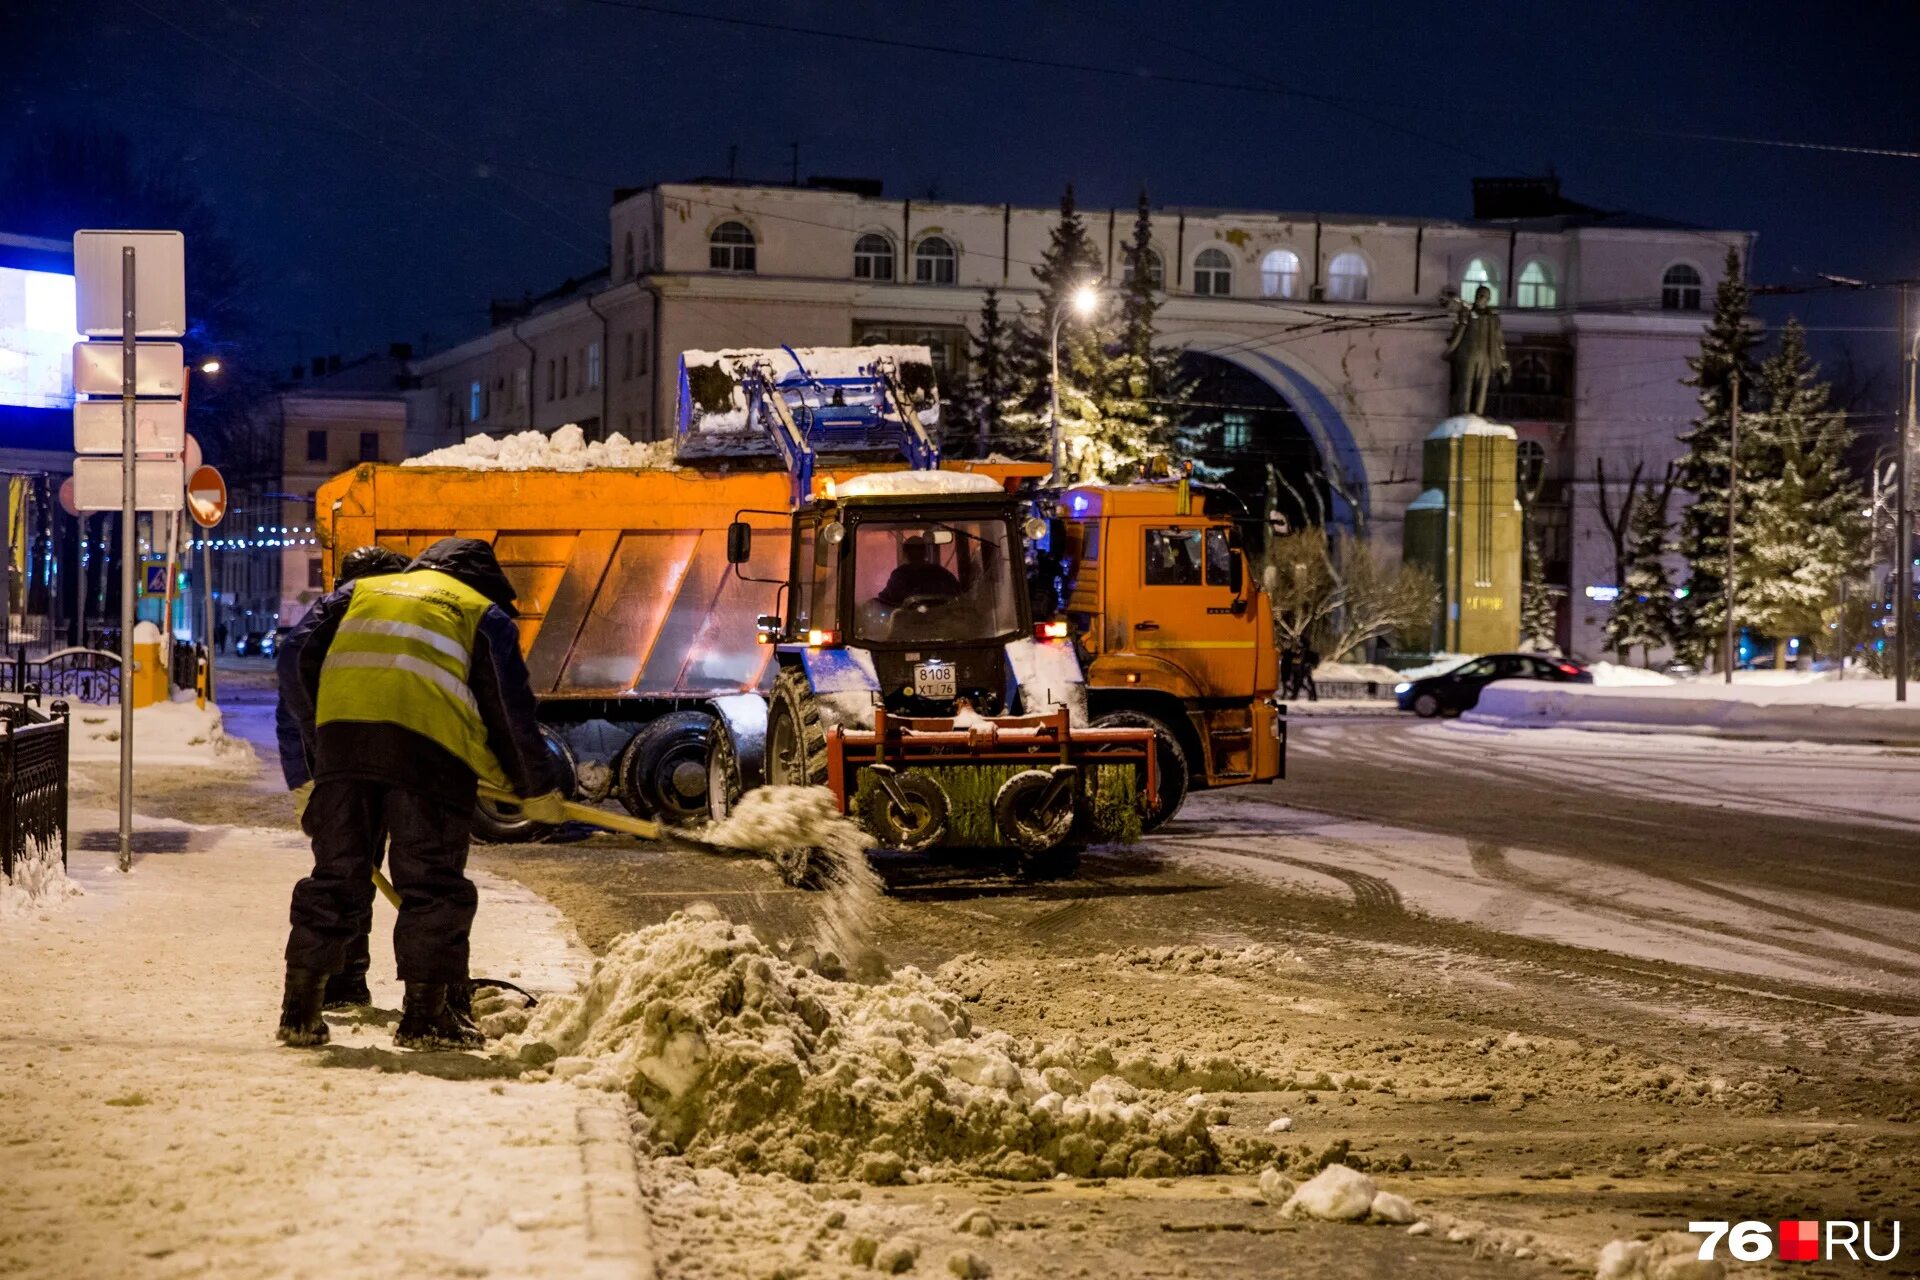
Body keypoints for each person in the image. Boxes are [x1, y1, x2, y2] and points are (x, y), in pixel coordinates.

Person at [275, 538, 563, 1051]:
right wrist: (536, 788)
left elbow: (295, 652)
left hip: (343, 746)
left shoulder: (358, 594)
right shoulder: (480, 612)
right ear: (481, 582)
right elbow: (509, 712)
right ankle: (427, 1018)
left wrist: (320, 744)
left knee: (336, 876)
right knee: (431, 884)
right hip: (428, 754)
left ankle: (300, 1011)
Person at [274, 544, 410, 1010]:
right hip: (339, 778)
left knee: (355, 876)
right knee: (344, 878)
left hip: (369, 772)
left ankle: (349, 978)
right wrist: (304, 784)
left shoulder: (364, 628)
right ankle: (337, 982)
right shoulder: (330, 630)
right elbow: (291, 717)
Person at [875, 535, 962, 608]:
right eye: (912, 549)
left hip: (937, 620)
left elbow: (956, 593)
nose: (915, 552)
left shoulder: (940, 573)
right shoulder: (899, 575)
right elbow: (885, 599)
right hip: (911, 621)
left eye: (918, 549)